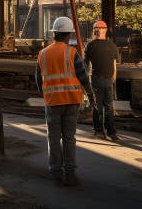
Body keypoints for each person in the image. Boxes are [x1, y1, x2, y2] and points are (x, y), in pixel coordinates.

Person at [35, 16, 94, 187]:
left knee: (53, 139)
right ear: (68, 35)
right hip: (71, 101)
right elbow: (83, 76)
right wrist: (90, 95)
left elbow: (38, 79)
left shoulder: (42, 54)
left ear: (54, 33)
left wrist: (45, 94)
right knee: (69, 138)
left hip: (53, 102)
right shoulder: (72, 52)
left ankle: (56, 174)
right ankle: (70, 174)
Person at [84, 20, 120, 141]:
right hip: (96, 79)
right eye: (96, 28)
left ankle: (111, 132)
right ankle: (98, 130)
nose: (98, 30)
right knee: (97, 106)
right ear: (94, 30)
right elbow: (86, 63)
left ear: (105, 30)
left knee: (109, 107)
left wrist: (114, 75)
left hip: (108, 79)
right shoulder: (90, 45)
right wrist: (86, 79)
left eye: (100, 28)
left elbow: (114, 61)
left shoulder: (112, 45)